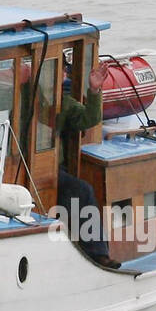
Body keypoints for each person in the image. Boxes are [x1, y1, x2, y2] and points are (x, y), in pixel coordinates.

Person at [54, 60, 119, 266]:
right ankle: (92, 251)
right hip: (28, 166)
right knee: (79, 189)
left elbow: (89, 118)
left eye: (63, 71)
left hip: (52, 168)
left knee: (80, 190)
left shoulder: (62, 102)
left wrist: (94, 90)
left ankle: (96, 252)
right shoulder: (21, 94)